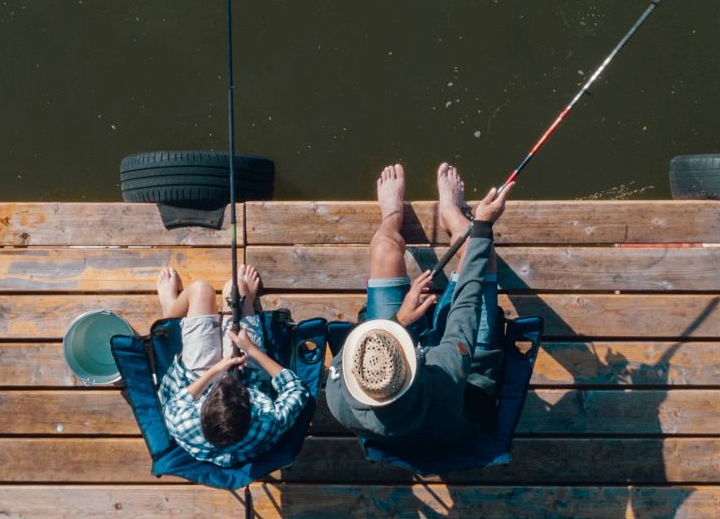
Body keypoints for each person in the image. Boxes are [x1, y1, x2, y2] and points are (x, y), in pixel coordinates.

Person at [327, 162, 511, 453]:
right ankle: (452, 215)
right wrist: (483, 226)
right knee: (478, 251)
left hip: (424, 387)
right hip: (463, 376)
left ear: (355, 373)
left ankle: (392, 215)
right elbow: (466, 305)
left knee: (384, 248)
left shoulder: (339, 398)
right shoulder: (447, 372)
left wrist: (400, 319)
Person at [154, 260, 310, 468]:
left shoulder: (184, 423)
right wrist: (251, 349)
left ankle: (171, 310)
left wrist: (216, 370)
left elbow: (175, 403)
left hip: (199, 376)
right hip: (250, 374)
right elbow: (296, 389)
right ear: (251, 412)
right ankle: (246, 303)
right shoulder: (267, 422)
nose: (226, 378)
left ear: (203, 411)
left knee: (201, 290)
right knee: (236, 288)